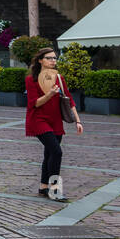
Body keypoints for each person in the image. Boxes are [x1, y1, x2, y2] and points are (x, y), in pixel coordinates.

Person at [26, 47, 83, 202]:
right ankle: (55, 190)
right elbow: (34, 104)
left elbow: (69, 99)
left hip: (56, 120)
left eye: (55, 58)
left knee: (49, 153)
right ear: (40, 60)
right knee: (57, 152)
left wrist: (77, 120)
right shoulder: (31, 79)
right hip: (39, 120)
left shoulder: (59, 77)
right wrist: (50, 94)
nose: (53, 61)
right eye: (49, 58)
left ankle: (43, 186)